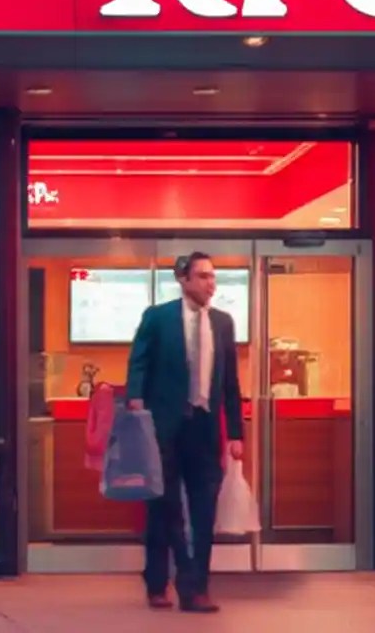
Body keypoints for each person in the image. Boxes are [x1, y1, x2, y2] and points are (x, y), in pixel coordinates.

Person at [126, 251, 244, 613]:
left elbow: (230, 383)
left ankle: (196, 587)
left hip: (205, 428)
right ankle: (158, 581)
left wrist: (236, 433)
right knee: (164, 506)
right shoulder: (158, 318)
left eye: (213, 276)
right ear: (184, 280)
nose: (212, 283)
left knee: (204, 507)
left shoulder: (223, 323)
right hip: (164, 427)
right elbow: (139, 361)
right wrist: (135, 399)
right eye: (204, 276)